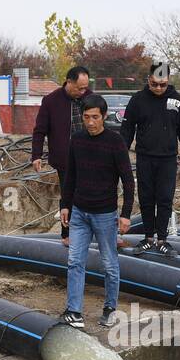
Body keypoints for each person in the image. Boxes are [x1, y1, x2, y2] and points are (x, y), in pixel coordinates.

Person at [59, 94, 134, 329]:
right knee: (74, 262)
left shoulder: (115, 142)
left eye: (95, 117)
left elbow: (128, 180)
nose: (90, 122)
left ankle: (110, 308)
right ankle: (74, 311)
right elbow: (70, 176)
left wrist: (125, 214)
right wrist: (65, 205)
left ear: (103, 117)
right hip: (80, 212)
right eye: (86, 117)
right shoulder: (77, 140)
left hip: (105, 214)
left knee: (109, 263)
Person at [121, 62, 180, 255]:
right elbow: (127, 130)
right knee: (146, 198)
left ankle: (162, 239)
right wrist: (120, 154)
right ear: (148, 80)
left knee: (164, 199)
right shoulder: (137, 100)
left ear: (168, 81)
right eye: (155, 84)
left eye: (163, 85)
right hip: (145, 157)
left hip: (168, 159)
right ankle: (148, 237)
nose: (159, 88)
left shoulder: (177, 101)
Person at [31, 65, 93, 246]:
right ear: (69, 81)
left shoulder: (90, 98)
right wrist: (36, 155)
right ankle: (67, 234)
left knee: (93, 193)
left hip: (90, 157)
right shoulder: (51, 101)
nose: (82, 91)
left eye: (85, 87)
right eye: (79, 88)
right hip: (65, 158)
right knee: (68, 194)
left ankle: (95, 232)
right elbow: (39, 130)